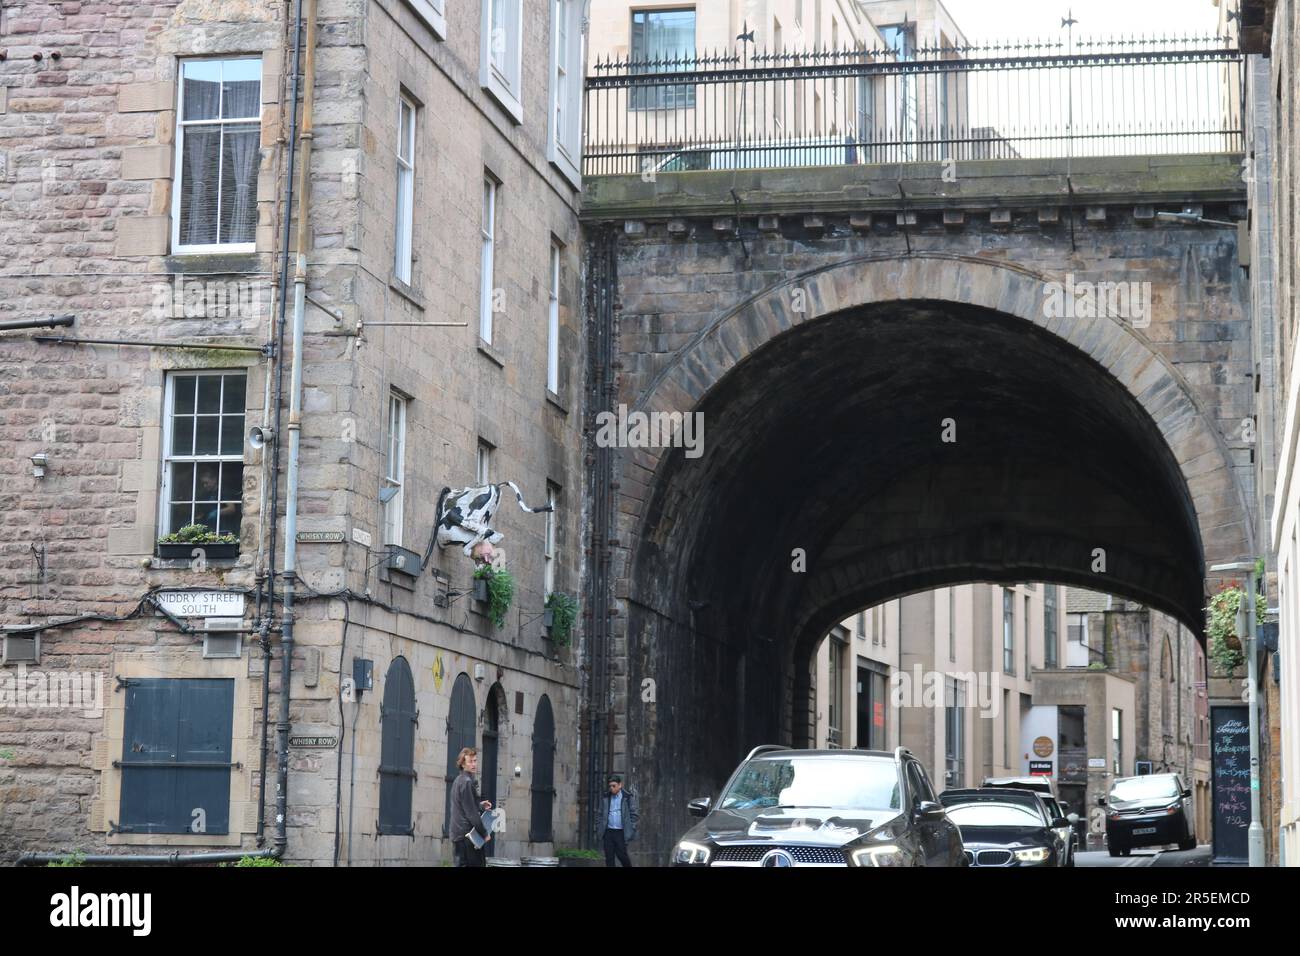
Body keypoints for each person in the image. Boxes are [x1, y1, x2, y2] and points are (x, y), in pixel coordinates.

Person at [450, 747, 493, 867]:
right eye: (470, 761)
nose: (474, 764)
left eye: (475, 760)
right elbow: (471, 813)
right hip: (468, 838)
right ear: (463, 764)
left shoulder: (458, 781)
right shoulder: (467, 782)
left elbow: (464, 806)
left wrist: (479, 805)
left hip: (459, 837)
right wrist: (484, 833)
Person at [597, 773, 638, 867]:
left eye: (614, 786)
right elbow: (600, 814)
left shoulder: (627, 797)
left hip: (620, 832)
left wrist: (632, 828)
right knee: (609, 857)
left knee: (622, 855)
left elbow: (634, 814)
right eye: (610, 786)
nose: (611, 788)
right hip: (608, 832)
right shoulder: (605, 797)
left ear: (620, 785)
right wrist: (599, 826)